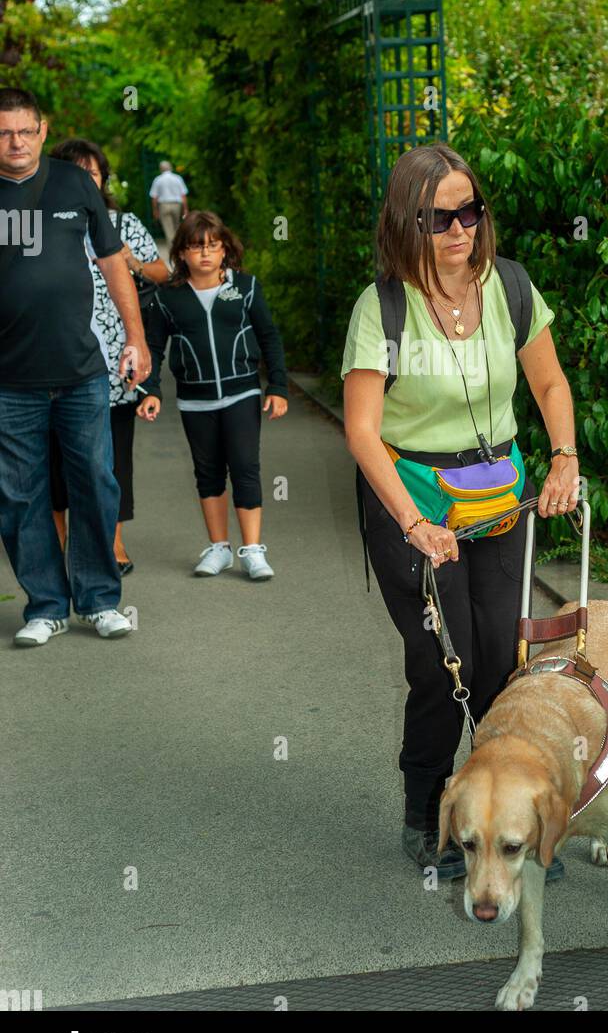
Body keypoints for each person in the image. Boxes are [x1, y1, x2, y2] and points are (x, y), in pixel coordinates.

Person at [341, 141, 581, 879]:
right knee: (445, 667)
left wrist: (565, 456)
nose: (459, 230)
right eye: (439, 217)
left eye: (469, 211)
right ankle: (427, 816)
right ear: (408, 220)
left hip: (499, 499)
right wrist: (415, 525)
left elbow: (548, 385)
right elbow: (360, 429)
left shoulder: (509, 287)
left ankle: (503, 818)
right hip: (411, 503)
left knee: (504, 663)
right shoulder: (381, 308)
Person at [0, 86, 151, 646]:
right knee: (20, 495)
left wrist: (135, 338)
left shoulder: (73, 183)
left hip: (82, 373)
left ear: (42, 131)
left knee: (95, 483)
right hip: (10, 380)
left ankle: (98, 600)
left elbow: (114, 263)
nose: (15, 142)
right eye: (3, 132)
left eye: (24, 130)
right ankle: (45, 606)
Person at [136, 210, 289, 579]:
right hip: (194, 400)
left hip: (242, 393)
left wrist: (278, 386)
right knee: (208, 473)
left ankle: (252, 550)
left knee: (245, 468)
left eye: (212, 246)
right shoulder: (167, 297)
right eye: (195, 247)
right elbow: (154, 347)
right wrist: (150, 390)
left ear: (225, 250)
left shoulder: (246, 287)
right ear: (181, 253)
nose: (204, 254)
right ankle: (219, 548)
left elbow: (268, 336)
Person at [47, 138, 171, 575]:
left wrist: (128, 260)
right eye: (76, 172)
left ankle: (113, 542)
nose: (85, 181)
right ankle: (61, 546)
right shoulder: (41, 219)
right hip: (53, 359)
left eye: (93, 173)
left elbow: (161, 271)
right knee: (55, 458)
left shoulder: (121, 221)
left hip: (115, 359)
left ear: (102, 180)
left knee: (113, 458)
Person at [149, 159, 188, 246]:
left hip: (164, 206)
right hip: (176, 205)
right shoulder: (178, 178)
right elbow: (183, 195)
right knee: (177, 227)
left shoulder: (157, 180)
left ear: (161, 169)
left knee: (168, 230)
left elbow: (154, 197)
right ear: (170, 168)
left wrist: (155, 211)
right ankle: (179, 248)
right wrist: (185, 209)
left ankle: (173, 251)